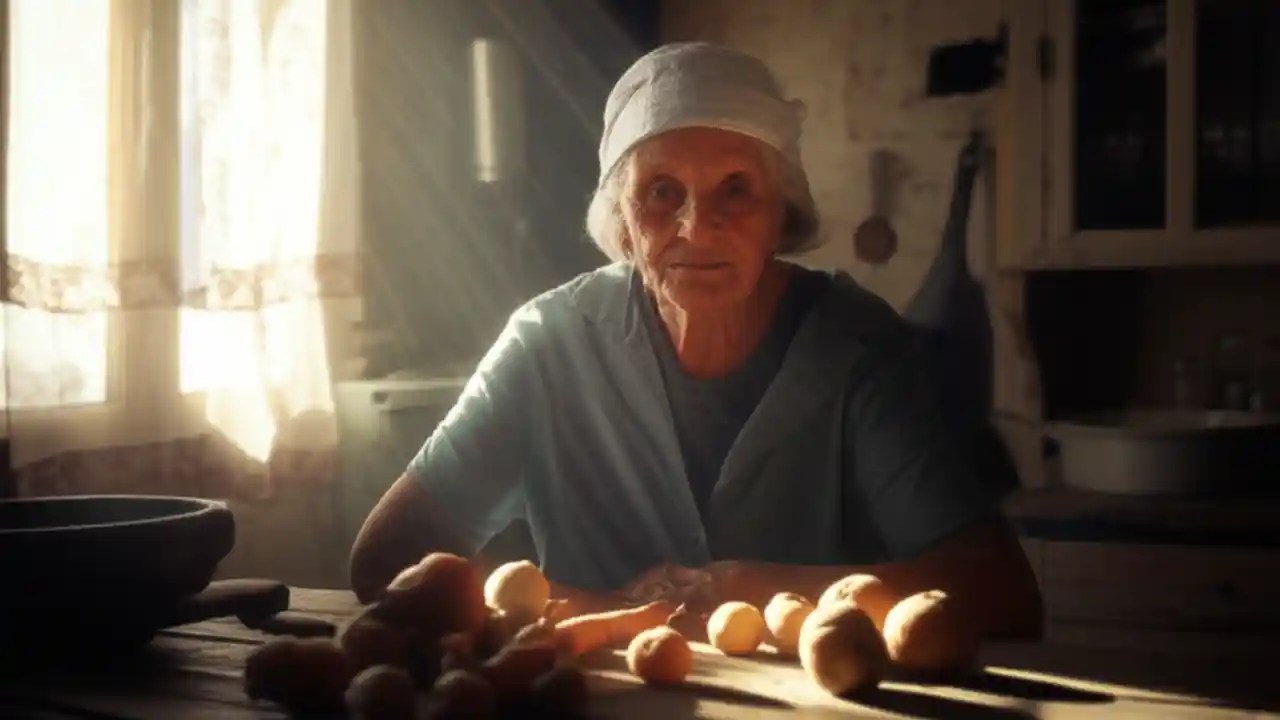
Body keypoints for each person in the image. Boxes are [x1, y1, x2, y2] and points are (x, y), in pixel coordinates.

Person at [350, 42, 1042, 639]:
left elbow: (999, 591)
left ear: (782, 212)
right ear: (621, 223)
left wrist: (746, 588)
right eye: (660, 192)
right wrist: (603, 613)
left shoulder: (857, 348)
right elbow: (387, 557)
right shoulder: (547, 344)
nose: (697, 227)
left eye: (735, 189)